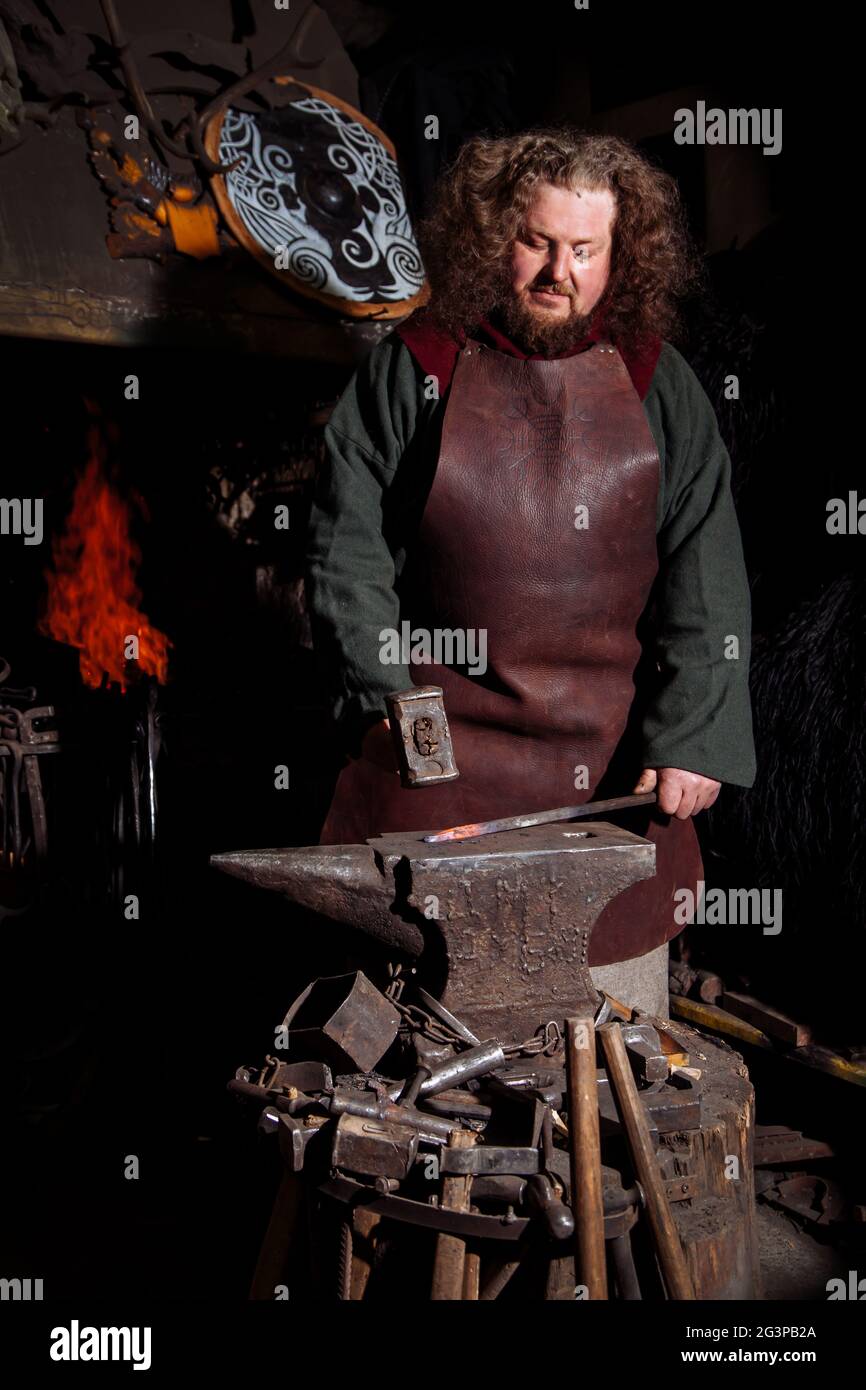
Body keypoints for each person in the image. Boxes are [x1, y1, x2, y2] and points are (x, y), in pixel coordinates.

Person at [305, 128, 755, 968]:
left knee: (614, 1042)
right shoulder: (419, 365)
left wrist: (695, 734)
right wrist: (384, 699)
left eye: (585, 250)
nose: (561, 273)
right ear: (492, 238)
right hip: (434, 756)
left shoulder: (660, 379)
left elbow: (709, 565)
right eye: (537, 243)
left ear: (620, 255)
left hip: (610, 776)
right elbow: (345, 547)